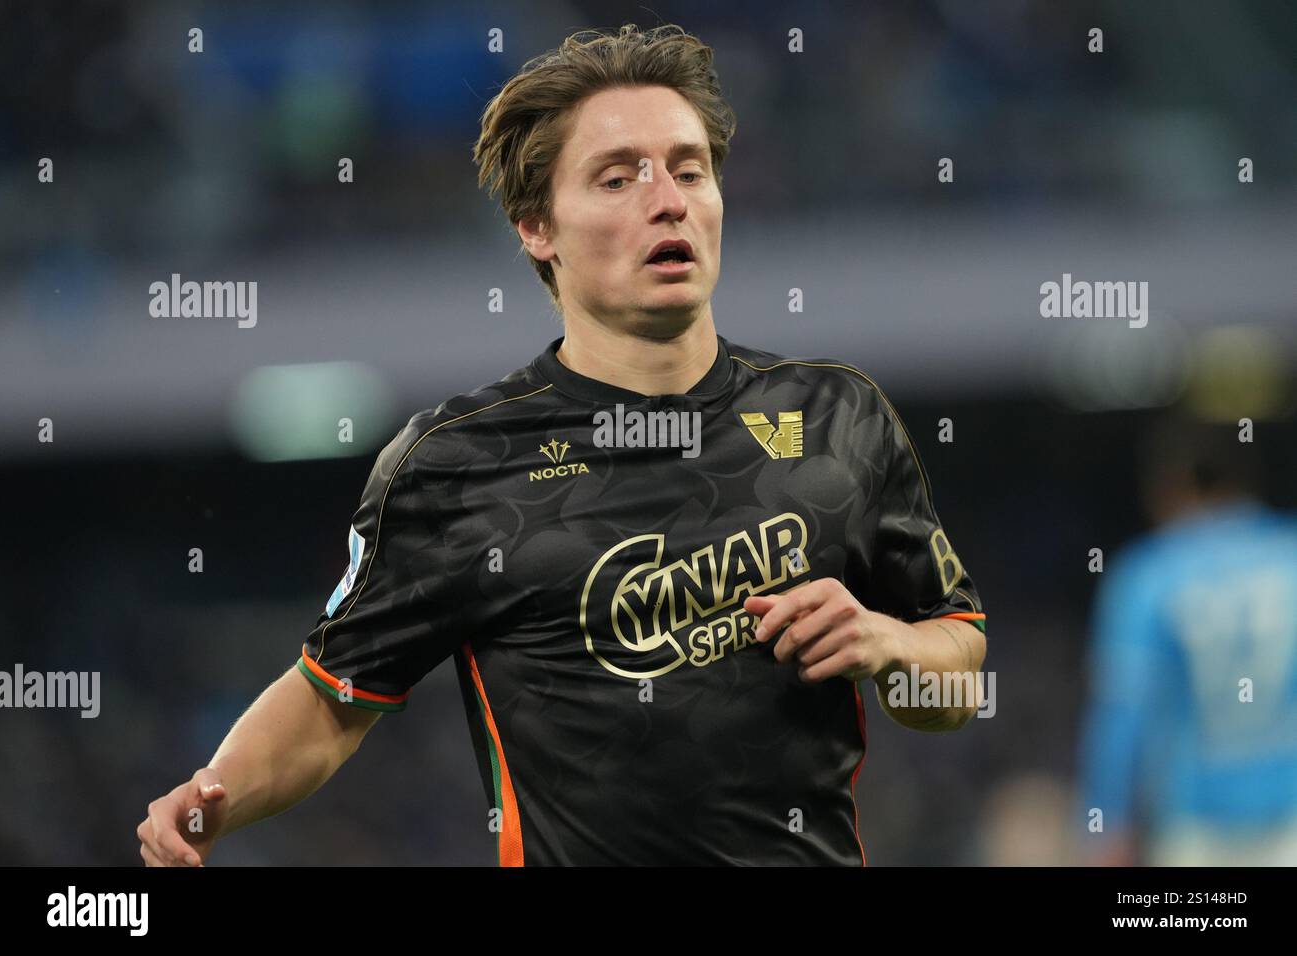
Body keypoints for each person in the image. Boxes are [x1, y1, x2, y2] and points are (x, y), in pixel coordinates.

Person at [138, 22, 986, 867]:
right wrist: (210, 797)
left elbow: (957, 676)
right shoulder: (455, 466)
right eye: (618, 178)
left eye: (690, 170)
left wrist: (891, 645)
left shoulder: (838, 415)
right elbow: (331, 702)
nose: (669, 199)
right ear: (536, 226)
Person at [1079, 413, 1297, 865]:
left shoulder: (1150, 574)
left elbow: (1124, 711)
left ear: (1171, 484)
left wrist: (1104, 819)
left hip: (1195, 825)